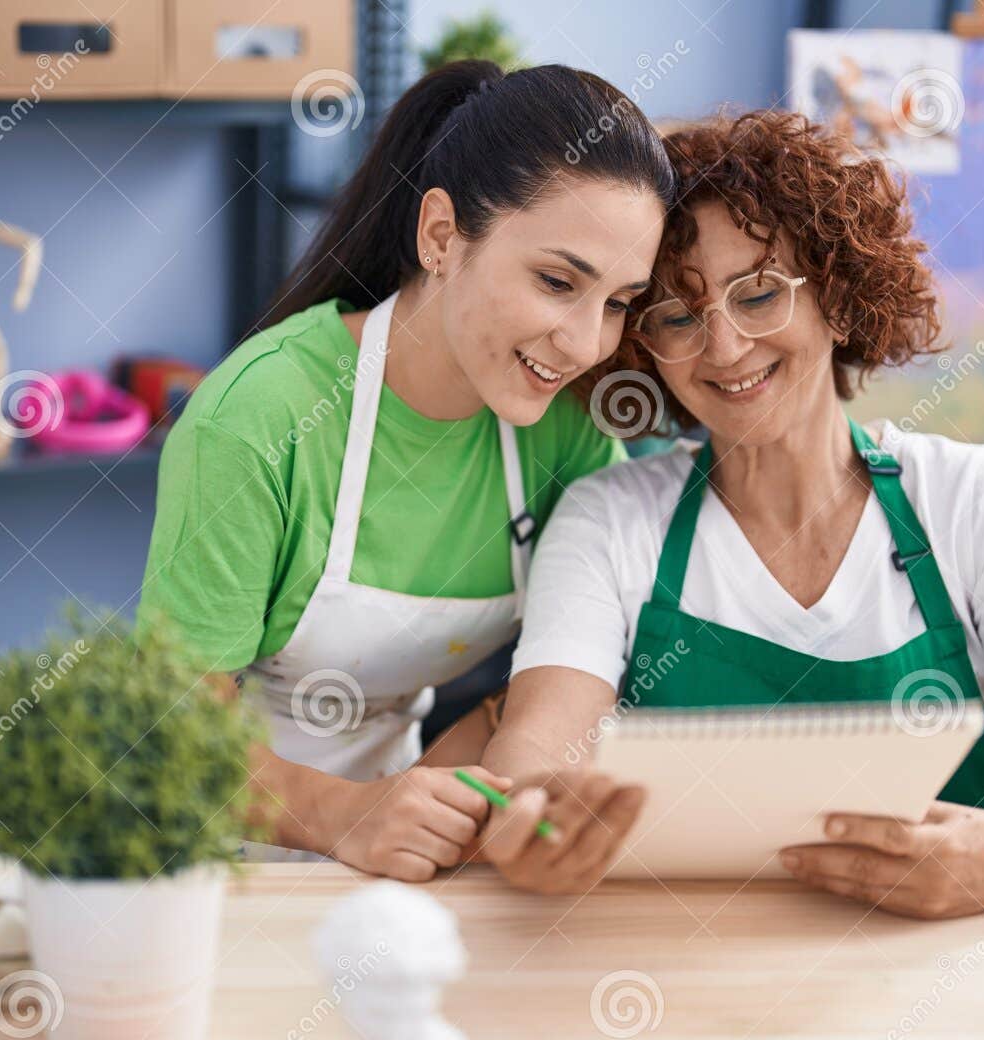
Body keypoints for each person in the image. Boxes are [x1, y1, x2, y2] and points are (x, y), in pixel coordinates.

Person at [476, 112, 984, 914]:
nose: (725, 346)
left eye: (761, 293)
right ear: (644, 345)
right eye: (677, 313)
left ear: (838, 298)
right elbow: (534, 748)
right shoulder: (610, 519)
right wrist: (529, 824)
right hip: (675, 978)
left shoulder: (969, 498)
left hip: (940, 976)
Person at [139, 61, 673, 879]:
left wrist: (460, 792)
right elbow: (165, 736)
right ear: (439, 236)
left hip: (394, 855)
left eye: (617, 302)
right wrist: (340, 816)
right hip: (196, 857)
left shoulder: (563, 433)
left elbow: (566, 670)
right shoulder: (260, 418)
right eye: (557, 281)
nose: (585, 343)